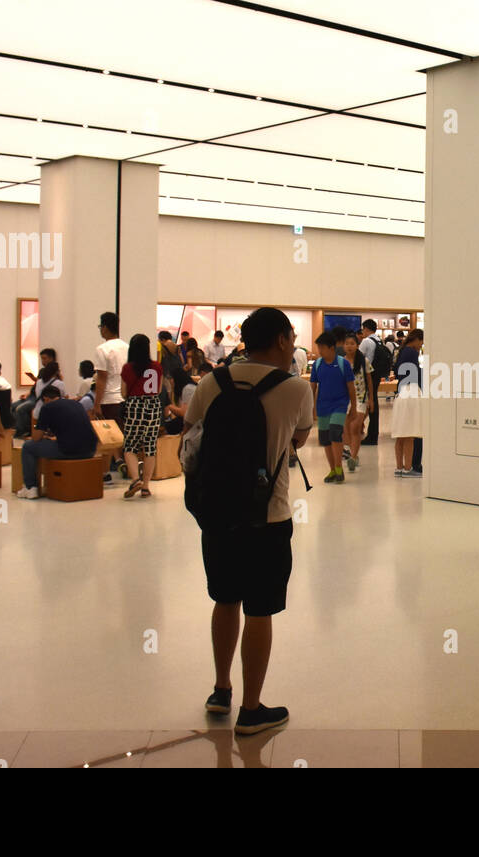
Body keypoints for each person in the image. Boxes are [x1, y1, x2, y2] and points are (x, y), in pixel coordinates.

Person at [183, 307, 313, 734]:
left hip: (217, 513)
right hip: (268, 516)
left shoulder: (209, 383)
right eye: (291, 335)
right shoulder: (296, 389)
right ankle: (252, 710)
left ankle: (221, 691)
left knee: (224, 600)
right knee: (260, 611)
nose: (293, 342)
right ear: (279, 340)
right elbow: (299, 436)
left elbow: (191, 441)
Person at [17, 383, 99, 499]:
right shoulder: (76, 404)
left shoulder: (47, 407)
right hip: (91, 450)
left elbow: (36, 437)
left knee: (28, 446)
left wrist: (38, 429)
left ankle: (31, 488)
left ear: (45, 399)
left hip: (68, 450)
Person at [119, 334, 163, 499]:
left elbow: (124, 393)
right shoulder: (157, 366)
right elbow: (158, 390)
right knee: (150, 447)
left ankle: (136, 479)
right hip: (153, 406)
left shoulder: (128, 368)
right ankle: (145, 487)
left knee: (130, 446)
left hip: (135, 407)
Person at [308, 332, 355, 484]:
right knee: (326, 439)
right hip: (323, 406)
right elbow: (313, 387)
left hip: (340, 405)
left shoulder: (343, 364)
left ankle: (339, 467)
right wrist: (311, 408)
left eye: (321, 348)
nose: (319, 351)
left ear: (331, 348)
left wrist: (353, 407)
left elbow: (351, 387)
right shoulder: (317, 364)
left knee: (335, 433)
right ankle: (332, 470)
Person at [391, 328, 424, 477]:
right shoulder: (412, 352)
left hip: (401, 393)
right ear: (416, 339)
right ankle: (408, 468)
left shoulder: (402, 351)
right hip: (411, 393)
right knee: (410, 433)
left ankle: (399, 467)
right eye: (421, 341)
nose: (421, 345)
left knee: (400, 434)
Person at [341, 333, 372, 472]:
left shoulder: (363, 360)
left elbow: (369, 380)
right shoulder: (341, 362)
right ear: (343, 345)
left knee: (355, 427)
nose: (349, 346)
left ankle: (352, 457)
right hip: (345, 399)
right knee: (347, 429)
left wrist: (372, 399)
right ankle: (353, 453)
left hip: (361, 398)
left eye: (352, 343)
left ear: (357, 345)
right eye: (347, 343)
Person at [15, 355, 62, 438]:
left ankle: (26, 431)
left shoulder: (40, 382)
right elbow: (64, 397)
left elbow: (37, 392)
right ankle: (26, 430)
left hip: (37, 408)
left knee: (21, 410)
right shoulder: (58, 383)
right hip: (45, 409)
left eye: (44, 358)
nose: (42, 361)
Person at [359, 320, 389, 446]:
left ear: (365, 328)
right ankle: (373, 434)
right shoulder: (378, 340)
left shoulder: (366, 341)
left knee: (368, 404)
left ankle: (371, 436)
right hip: (376, 375)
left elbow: (358, 358)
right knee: (374, 404)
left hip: (368, 376)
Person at [162, 367, 197, 435]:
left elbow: (184, 414)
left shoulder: (188, 388)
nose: (170, 381)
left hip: (194, 423)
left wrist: (168, 403)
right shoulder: (185, 388)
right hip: (191, 421)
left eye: (171, 378)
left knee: (165, 427)